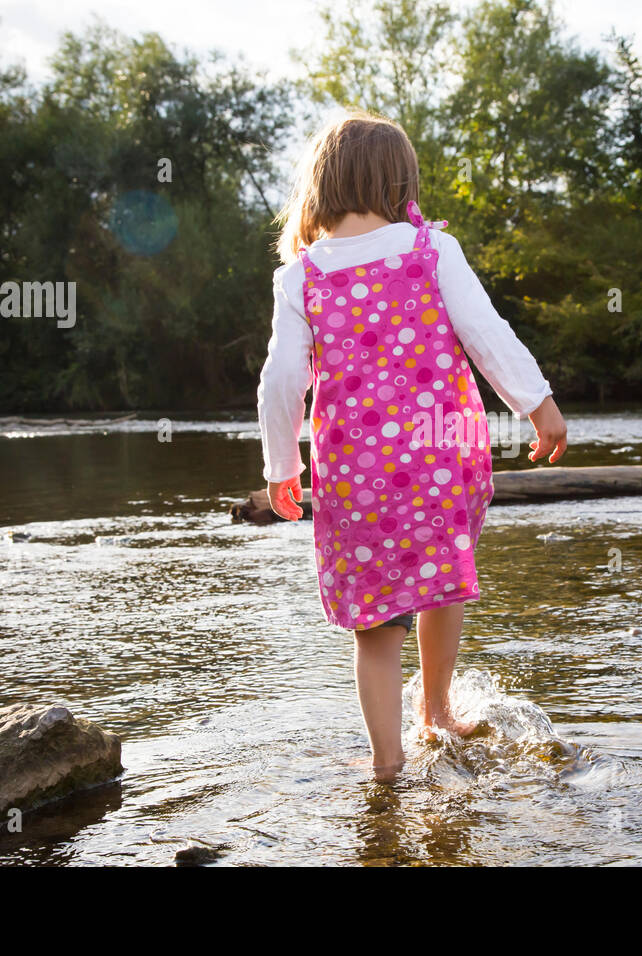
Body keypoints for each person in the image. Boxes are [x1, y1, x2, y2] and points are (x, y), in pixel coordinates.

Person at [257, 109, 567, 782]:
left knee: (376, 621)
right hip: (439, 457)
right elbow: (486, 333)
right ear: (400, 180)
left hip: (355, 472)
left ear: (321, 186)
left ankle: (388, 761)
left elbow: (280, 379)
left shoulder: (301, 276)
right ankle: (435, 709)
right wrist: (537, 406)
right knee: (440, 578)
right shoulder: (430, 249)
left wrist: (282, 466)